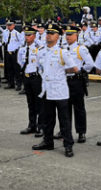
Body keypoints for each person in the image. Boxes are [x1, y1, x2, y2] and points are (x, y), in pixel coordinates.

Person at [32, 24, 76, 158]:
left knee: (64, 120)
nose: (49, 35)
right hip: (47, 90)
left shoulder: (63, 52)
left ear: (57, 36)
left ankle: (68, 145)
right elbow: (39, 67)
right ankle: (48, 141)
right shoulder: (40, 51)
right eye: (47, 33)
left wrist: (61, 72)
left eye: (52, 33)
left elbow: (73, 68)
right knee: (47, 119)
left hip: (60, 90)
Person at [56, 25, 94, 143]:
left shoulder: (80, 49)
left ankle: (81, 132)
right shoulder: (62, 49)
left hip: (76, 81)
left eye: (70, 35)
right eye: (67, 34)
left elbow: (90, 64)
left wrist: (78, 71)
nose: (68, 37)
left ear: (76, 35)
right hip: (64, 81)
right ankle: (64, 131)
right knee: (64, 108)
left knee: (79, 108)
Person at [17, 26, 44, 136]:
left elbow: (43, 64)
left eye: (29, 35)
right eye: (26, 35)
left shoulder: (40, 48)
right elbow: (20, 61)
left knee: (39, 103)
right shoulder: (22, 49)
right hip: (27, 77)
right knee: (30, 103)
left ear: (34, 36)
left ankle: (41, 126)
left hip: (36, 77)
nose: (27, 37)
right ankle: (31, 125)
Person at [2, 21, 23, 91]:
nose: (9, 26)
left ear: (13, 26)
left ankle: (18, 84)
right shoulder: (6, 33)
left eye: (10, 25)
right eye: (8, 25)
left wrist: (17, 49)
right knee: (9, 69)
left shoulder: (17, 33)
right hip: (8, 52)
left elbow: (21, 42)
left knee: (16, 69)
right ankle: (11, 83)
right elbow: (5, 42)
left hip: (14, 53)